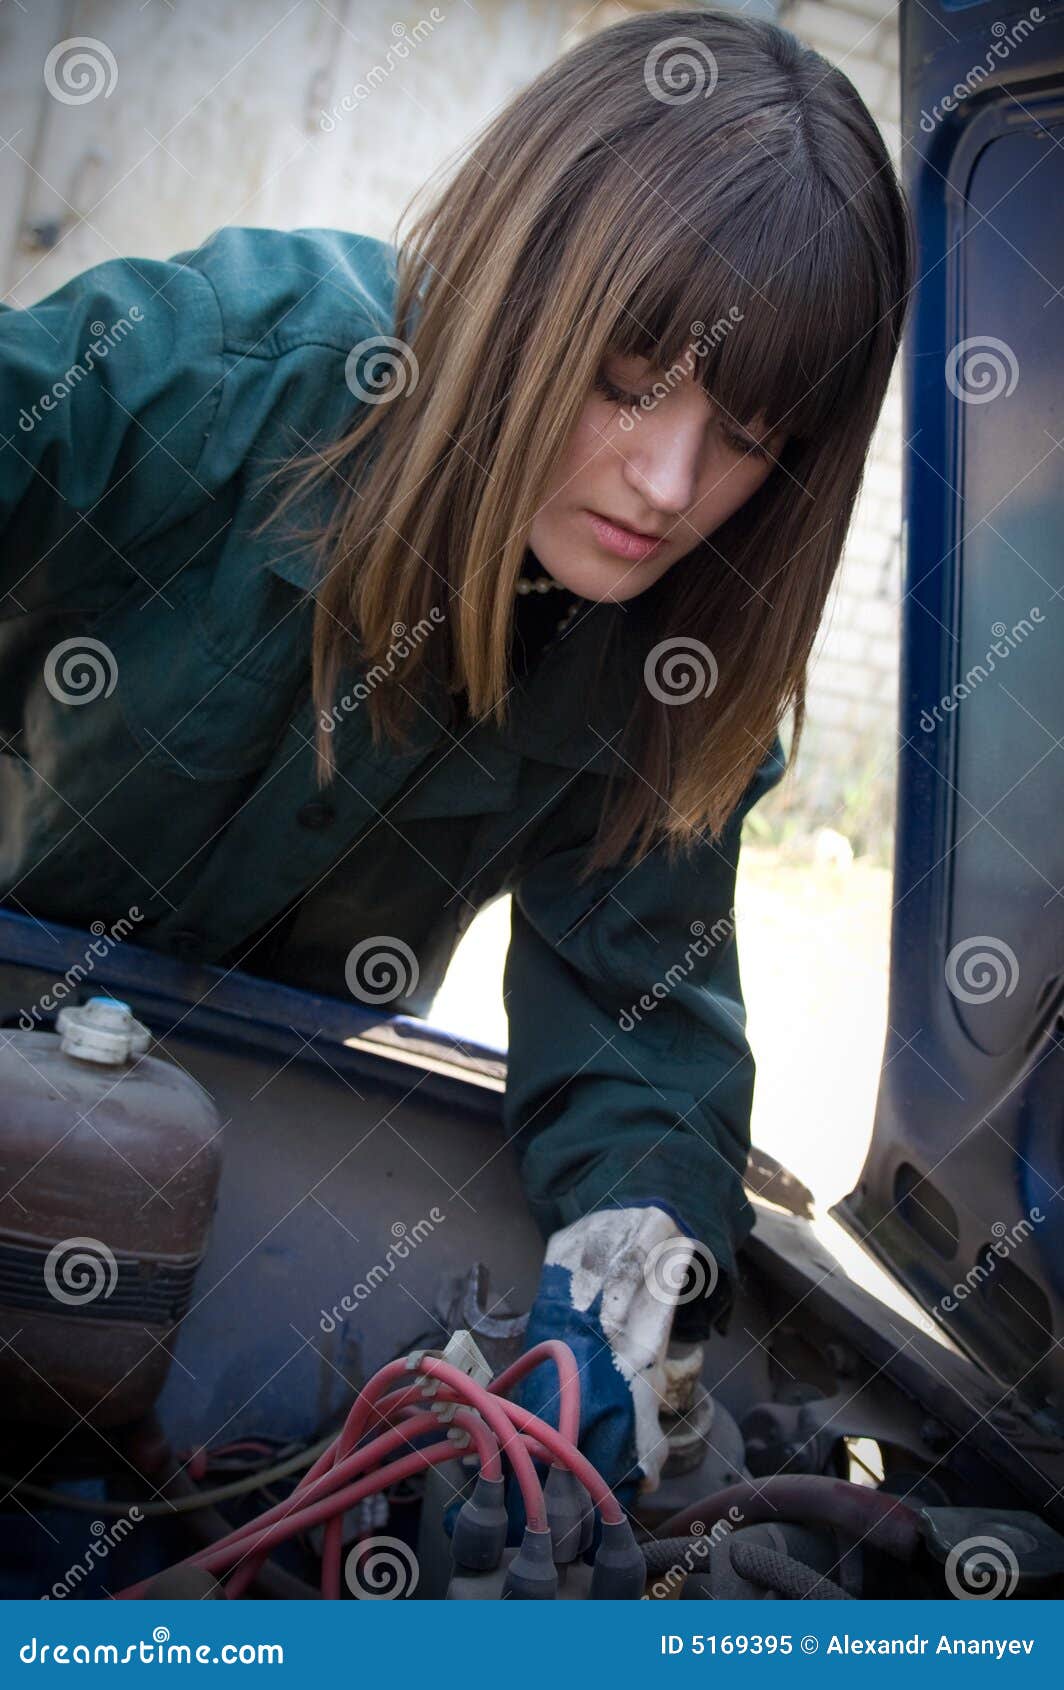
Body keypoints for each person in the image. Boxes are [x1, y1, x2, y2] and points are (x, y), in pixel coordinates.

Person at [0, 9, 912, 1512]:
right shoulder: (202, 377)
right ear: (514, 292)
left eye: (745, 435)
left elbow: (639, 1037)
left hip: (229, 1175)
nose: (670, 484)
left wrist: (620, 1324)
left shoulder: (670, 667)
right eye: (628, 381)